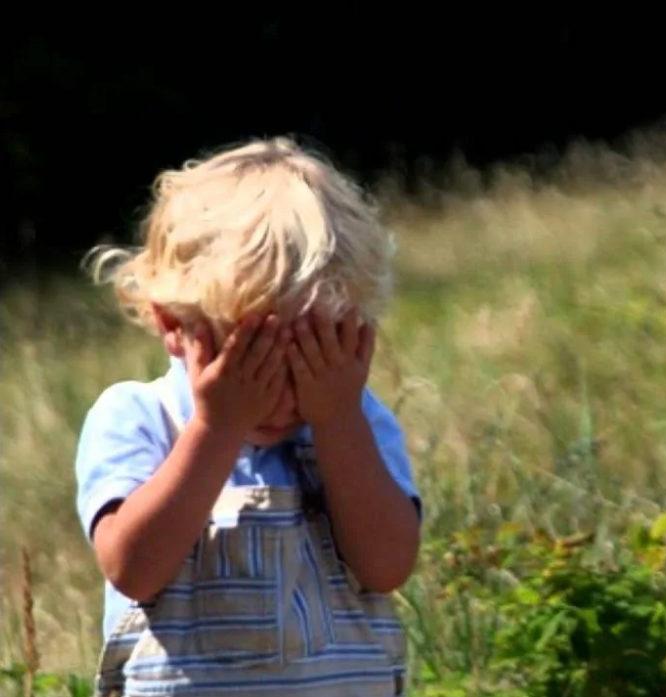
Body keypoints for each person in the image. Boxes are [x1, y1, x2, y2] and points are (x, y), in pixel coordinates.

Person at [74, 137, 422, 697]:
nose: (276, 398)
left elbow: (386, 566)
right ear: (171, 324)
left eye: (306, 359)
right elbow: (134, 570)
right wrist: (217, 427)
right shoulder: (139, 418)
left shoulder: (355, 422)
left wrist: (337, 420)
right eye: (248, 360)